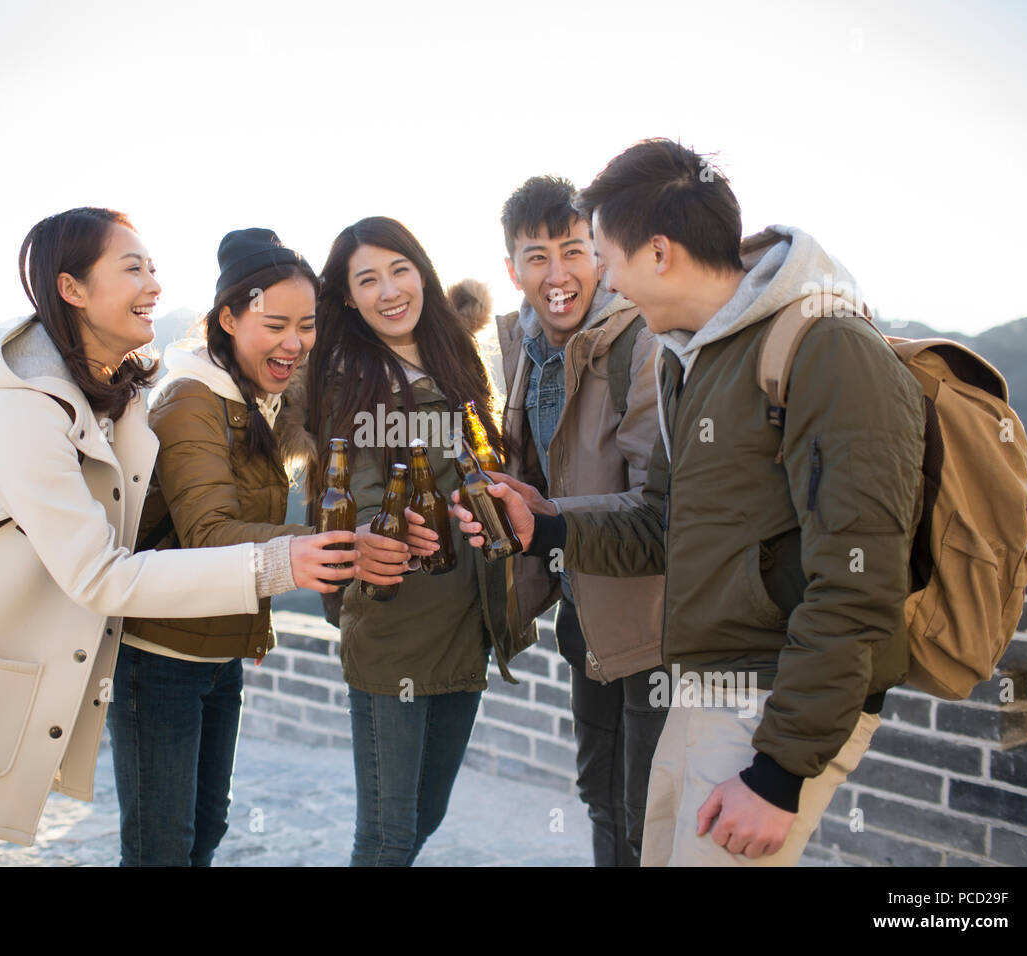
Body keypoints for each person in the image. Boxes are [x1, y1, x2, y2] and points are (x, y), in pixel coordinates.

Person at [0, 207, 351, 865]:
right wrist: (279, 564)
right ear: (71, 288)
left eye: (154, 268)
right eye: (132, 269)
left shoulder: (113, 396)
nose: (154, 285)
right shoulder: (24, 409)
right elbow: (103, 574)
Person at [454, 139, 925, 866]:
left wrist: (777, 773)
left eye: (602, 257)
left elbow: (861, 585)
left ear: (660, 253)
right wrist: (545, 526)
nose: (600, 279)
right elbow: (662, 526)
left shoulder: (829, 349)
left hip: (773, 700)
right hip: (707, 688)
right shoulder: (691, 357)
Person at [293, 215, 535, 866]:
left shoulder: (454, 359)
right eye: (367, 279)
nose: (390, 289)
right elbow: (354, 488)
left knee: (425, 816)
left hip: (468, 620)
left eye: (400, 269)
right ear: (348, 298)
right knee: (386, 836)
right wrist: (381, 529)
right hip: (396, 630)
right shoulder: (348, 378)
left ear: (421, 272)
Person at [112, 229, 354, 866]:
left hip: (218, 652)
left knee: (205, 831)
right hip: (157, 658)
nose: (294, 343)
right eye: (275, 324)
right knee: (160, 848)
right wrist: (331, 545)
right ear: (227, 317)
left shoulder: (258, 402)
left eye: (306, 325)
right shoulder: (193, 398)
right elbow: (210, 535)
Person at [488, 174, 667, 866]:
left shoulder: (640, 343)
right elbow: (545, 476)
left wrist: (548, 514)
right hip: (583, 614)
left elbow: (662, 504)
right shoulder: (527, 350)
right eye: (537, 257)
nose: (557, 274)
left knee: (649, 810)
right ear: (512, 270)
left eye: (573, 251)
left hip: (654, 625)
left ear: (600, 255)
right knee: (599, 793)